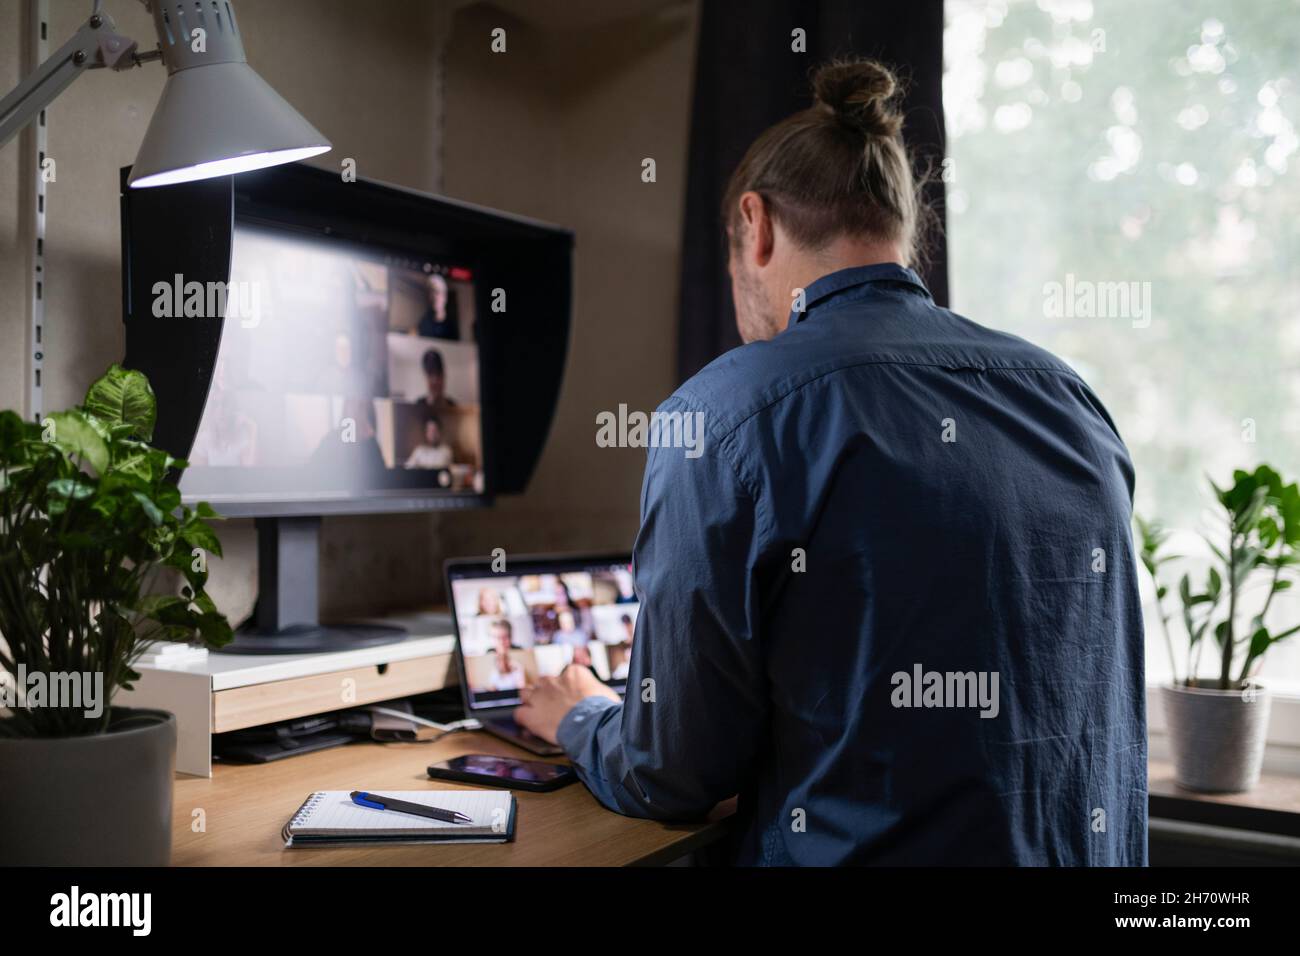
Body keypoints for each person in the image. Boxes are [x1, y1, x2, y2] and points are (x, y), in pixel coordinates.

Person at [515, 58, 1146, 866]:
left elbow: (669, 775)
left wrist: (578, 712)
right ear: (902, 232)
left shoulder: (720, 418)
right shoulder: (1067, 397)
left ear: (758, 225)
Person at [414, 348, 457, 420]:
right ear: (425, 377)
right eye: (430, 374)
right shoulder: (418, 406)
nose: (435, 380)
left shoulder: (453, 406)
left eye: (438, 374)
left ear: (444, 376)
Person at [417, 273, 460, 340]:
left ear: (445, 296)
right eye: (430, 293)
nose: (434, 297)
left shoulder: (451, 325)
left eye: (437, 292)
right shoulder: (423, 322)